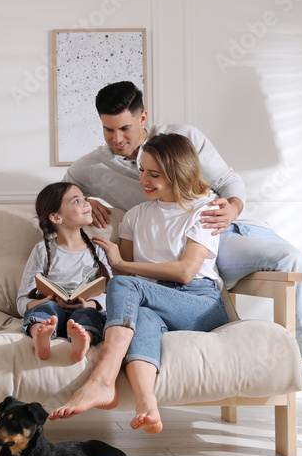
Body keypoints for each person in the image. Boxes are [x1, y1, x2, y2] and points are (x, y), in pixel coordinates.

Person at [52, 80, 302, 453]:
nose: (117, 139)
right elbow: (63, 188)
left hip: (225, 232)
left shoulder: (182, 138)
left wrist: (229, 209)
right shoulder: (95, 167)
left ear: (143, 117)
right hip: (183, 255)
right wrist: (86, 198)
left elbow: (229, 182)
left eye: (124, 128)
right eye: (107, 130)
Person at [87, 133, 229, 433]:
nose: (143, 180)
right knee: (143, 316)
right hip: (154, 301)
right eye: (141, 170)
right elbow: (123, 279)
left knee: (127, 288)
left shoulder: (205, 210)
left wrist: (121, 264)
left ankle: (103, 379)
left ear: (179, 174)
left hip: (199, 303)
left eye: (154, 174)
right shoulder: (136, 216)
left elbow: (186, 271)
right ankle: (147, 403)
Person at [16, 183, 111, 362]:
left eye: (84, 198)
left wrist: (89, 305)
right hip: (52, 310)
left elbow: (114, 296)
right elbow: (21, 301)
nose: (87, 204)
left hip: (85, 309)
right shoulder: (42, 250)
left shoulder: (98, 250)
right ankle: (40, 336)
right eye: (76, 201)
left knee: (88, 316)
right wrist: (45, 300)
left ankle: (83, 340)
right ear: (56, 217)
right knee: (45, 309)